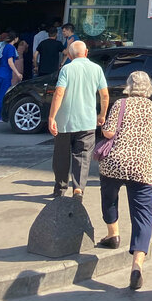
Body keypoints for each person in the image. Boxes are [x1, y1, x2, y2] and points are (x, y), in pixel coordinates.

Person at [97, 70, 152, 291]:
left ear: (128, 86)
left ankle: (113, 234)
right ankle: (137, 265)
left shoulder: (120, 105)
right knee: (143, 216)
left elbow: (108, 132)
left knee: (109, 197)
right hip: (143, 166)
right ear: (148, 88)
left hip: (115, 162)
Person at [48, 40, 109, 198]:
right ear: (86, 52)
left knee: (61, 156)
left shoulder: (67, 69)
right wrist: (102, 115)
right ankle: (78, 189)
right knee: (82, 156)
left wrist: (52, 117)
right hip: (87, 121)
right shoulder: (96, 69)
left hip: (64, 122)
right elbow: (104, 95)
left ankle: (60, 188)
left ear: (69, 55)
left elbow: (59, 93)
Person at [0, 29, 21, 122]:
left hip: (1, 72)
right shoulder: (11, 48)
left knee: (2, 94)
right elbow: (10, 62)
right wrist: (17, 73)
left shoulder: (5, 46)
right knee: (2, 96)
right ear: (15, 39)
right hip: (5, 74)